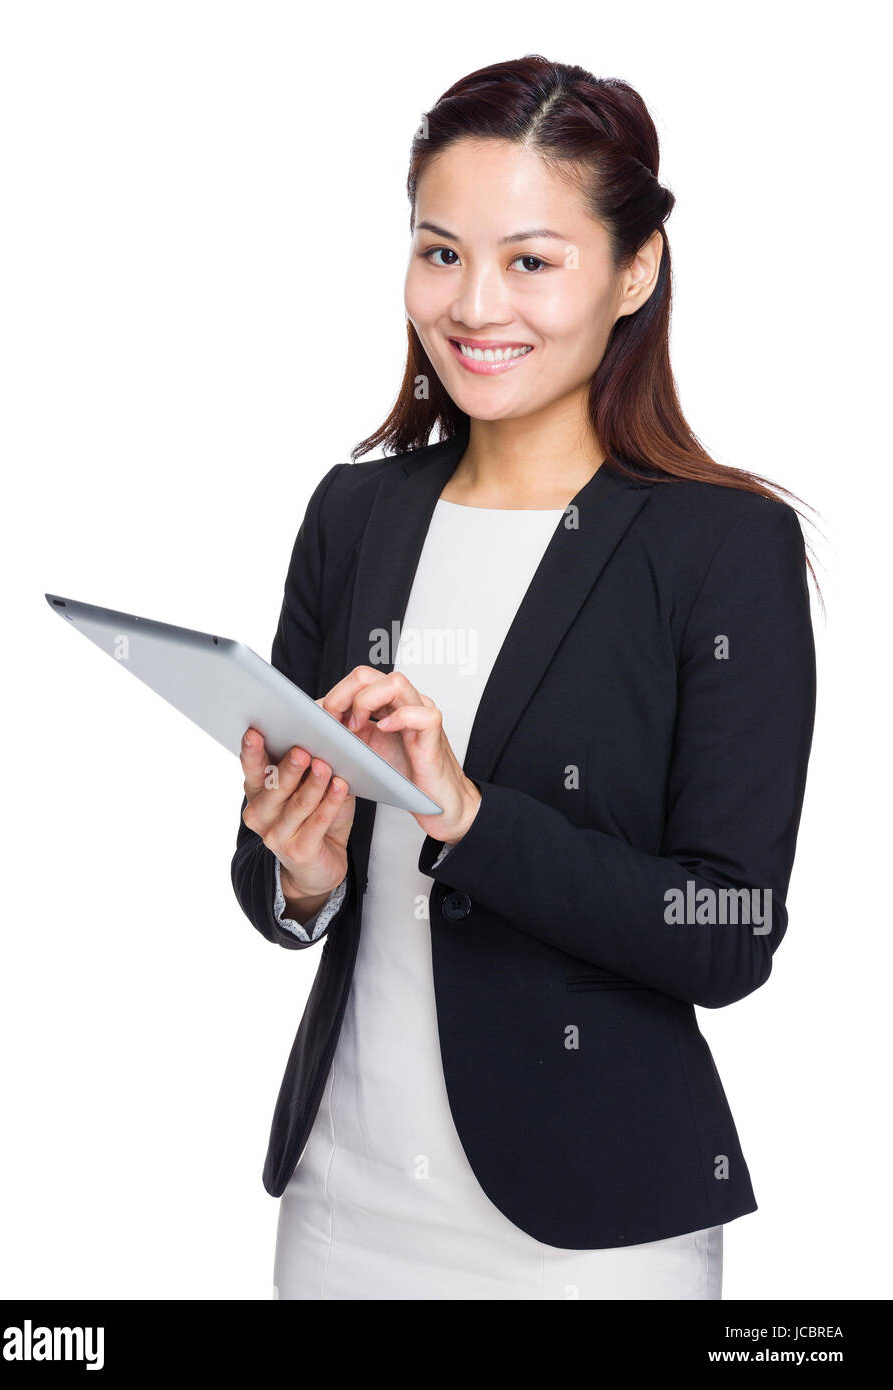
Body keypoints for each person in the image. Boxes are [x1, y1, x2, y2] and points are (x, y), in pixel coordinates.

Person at [231, 54, 817, 1300]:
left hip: (594, 1238)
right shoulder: (354, 513)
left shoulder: (719, 547)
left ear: (635, 270)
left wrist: (473, 816)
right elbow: (273, 876)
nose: (473, 303)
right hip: (342, 1207)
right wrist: (301, 869)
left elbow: (729, 928)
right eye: (440, 252)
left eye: (531, 260)